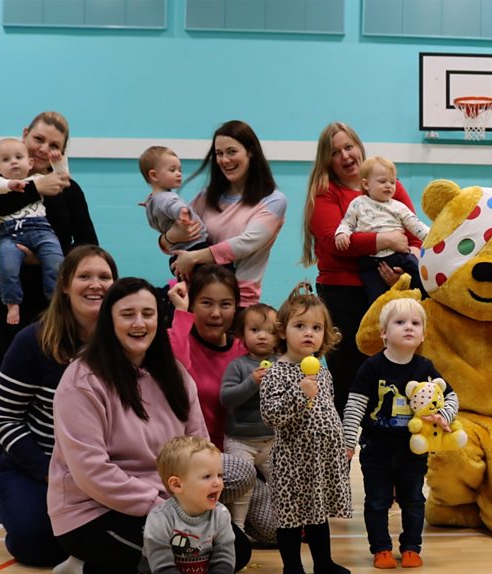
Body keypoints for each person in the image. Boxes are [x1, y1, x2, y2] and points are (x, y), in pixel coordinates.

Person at [48, 278, 214, 574]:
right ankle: (83, 568)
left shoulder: (174, 374)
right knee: (193, 564)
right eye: (127, 314)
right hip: (94, 511)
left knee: (234, 552)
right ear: (109, 321)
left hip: (169, 502)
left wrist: (196, 500)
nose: (139, 323)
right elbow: (91, 472)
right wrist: (163, 506)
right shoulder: (82, 381)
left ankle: (102, 568)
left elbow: (198, 449)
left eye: (148, 314)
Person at [0, 111, 98, 494]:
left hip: (48, 307)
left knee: (53, 393)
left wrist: (45, 259)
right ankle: (0, 487)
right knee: (0, 394)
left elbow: (90, 244)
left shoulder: (69, 189)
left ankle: (53, 478)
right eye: (38, 139)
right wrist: (38, 187)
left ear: (62, 152)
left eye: (53, 145)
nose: (43, 149)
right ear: (25, 135)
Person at [0, 245, 116, 566]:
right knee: (36, 544)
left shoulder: (126, 342)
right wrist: (49, 472)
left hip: (104, 472)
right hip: (36, 471)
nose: (96, 284)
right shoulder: (32, 342)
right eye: (84, 276)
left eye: (105, 277)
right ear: (64, 285)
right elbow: (5, 419)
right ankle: (9, 504)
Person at [301, 122, 421, 415]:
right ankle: (342, 450)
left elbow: (414, 233)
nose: (344, 156)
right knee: (347, 377)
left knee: (390, 372)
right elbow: (333, 241)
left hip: (388, 288)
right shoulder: (325, 193)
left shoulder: (388, 184)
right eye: (335, 152)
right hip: (343, 293)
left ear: (359, 147)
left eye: (348, 147)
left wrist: (407, 268)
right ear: (326, 159)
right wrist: (384, 239)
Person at [127, 437, 291, 574]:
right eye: (207, 476)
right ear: (177, 484)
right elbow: (162, 568)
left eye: (220, 475)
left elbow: (224, 561)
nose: (218, 482)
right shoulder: (160, 518)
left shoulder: (221, 515)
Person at [342, 298, 459, 570]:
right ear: (383, 332)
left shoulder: (425, 368)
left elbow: (451, 397)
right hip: (376, 449)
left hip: (412, 451)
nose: (409, 328)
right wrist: (347, 443)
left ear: (423, 334)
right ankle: (381, 549)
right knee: (377, 501)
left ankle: (411, 548)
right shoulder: (371, 367)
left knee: (414, 500)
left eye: (415, 323)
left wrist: (444, 416)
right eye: (400, 322)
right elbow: (355, 405)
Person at [165, 265, 272, 542]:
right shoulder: (177, 339)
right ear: (193, 304)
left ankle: (217, 515)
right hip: (193, 461)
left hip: (238, 461)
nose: (215, 313)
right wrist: (181, 313)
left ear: (236, 307)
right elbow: (175, 373)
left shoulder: (244, 350)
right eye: (206, 303)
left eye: (225, 304)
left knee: (273, 528)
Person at [260, 282, 353, 574]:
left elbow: (328, 410)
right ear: (283, 331)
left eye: (316, 327)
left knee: (318, 513)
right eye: (300, 326)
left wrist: (340, 442)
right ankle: (292, 568)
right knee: (291, 516)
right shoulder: (277, 372)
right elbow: (272, 414)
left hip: (321, 458)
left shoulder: (323, 372)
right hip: (292, 460)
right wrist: (300, 393)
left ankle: (323, 561)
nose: (309, 333)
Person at [165, 120, 285, 306]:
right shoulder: (206, 197)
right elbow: (174, 240)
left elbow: (245, 243)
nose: (224, 160)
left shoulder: (273, 201)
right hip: (197, 298)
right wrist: (168, 236)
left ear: (251, 152)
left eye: (231, 152)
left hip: (240, 301)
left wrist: (194, 257)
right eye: (219, 154)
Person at [0, 137, 66, 326]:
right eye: (6, 159)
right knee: (8, 266)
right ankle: (12, 303)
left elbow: (61, 179)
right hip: (10, 235)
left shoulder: (36, 179)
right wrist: (8, 185)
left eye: (18, 157)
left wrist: (59, 162)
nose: (13, 161)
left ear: (30, 163)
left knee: (55, 262)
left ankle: (56, 302)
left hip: (42, 230)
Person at [333, 156, 429, 300]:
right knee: (377, 298)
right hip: (371, 261)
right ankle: (378, 318)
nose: (389, 186)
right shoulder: (358, 203)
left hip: (399, 256)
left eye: (392, 182)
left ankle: (428, 298)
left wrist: (434, 237)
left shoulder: (398, 206)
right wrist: (341, 234)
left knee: (420, 272)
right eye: (383, 182)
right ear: (366, 185)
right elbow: (347, 223)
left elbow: (416, 225)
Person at [219, 303, 278, 531]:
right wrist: (251, 383)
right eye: (255, 330)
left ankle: (289, 525)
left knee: (282, 484)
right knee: (244, 488)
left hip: (272, 440)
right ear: (242, 335)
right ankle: (238, 528)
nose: (262, 336)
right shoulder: (238, 365)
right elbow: (227, 398)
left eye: (270, 331)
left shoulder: (282, 364)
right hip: (240, 440)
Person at [139, 145, 210, 276]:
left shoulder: (153, 199)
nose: (179, 174)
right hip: (196, 246)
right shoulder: (167, 197)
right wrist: (182, 211)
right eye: (172, 170)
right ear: (154, 175)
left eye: (180, 170)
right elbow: (173, 205)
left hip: (178, 251)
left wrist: (148, 205)